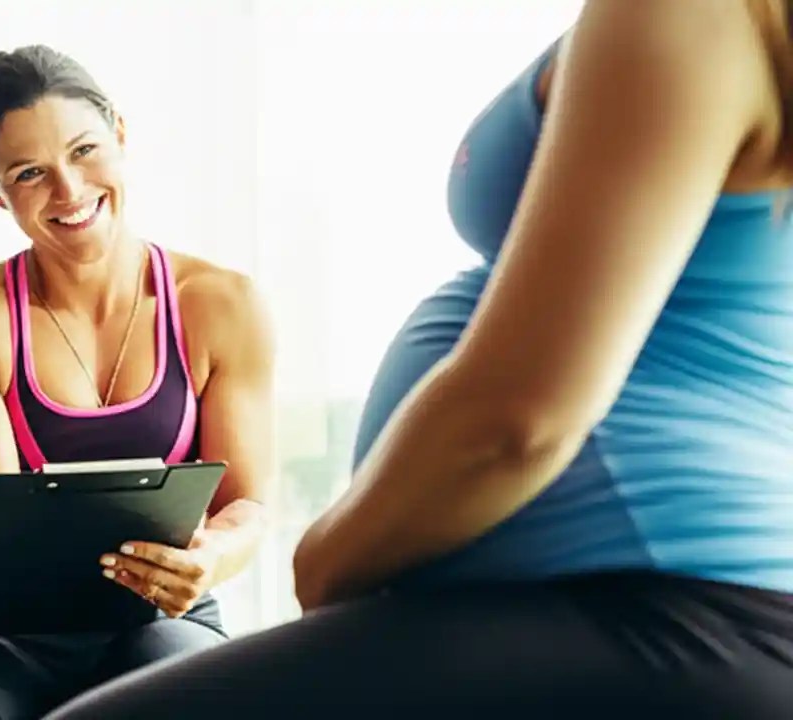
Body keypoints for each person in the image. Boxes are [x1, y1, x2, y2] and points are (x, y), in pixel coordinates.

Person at [44, 1, 793, 717]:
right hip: (650, 606)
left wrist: (330, 556)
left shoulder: (691, 11)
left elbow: (517, 420)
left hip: (671, 614)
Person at [0, 44, 275, 720]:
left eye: (85, 150)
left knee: (175, 686)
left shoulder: (223, 303)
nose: (68, 191)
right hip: (12, 635)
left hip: (164, 619)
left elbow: (247, 507)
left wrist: (209, 558)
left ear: (120, 135)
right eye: (30, 173)